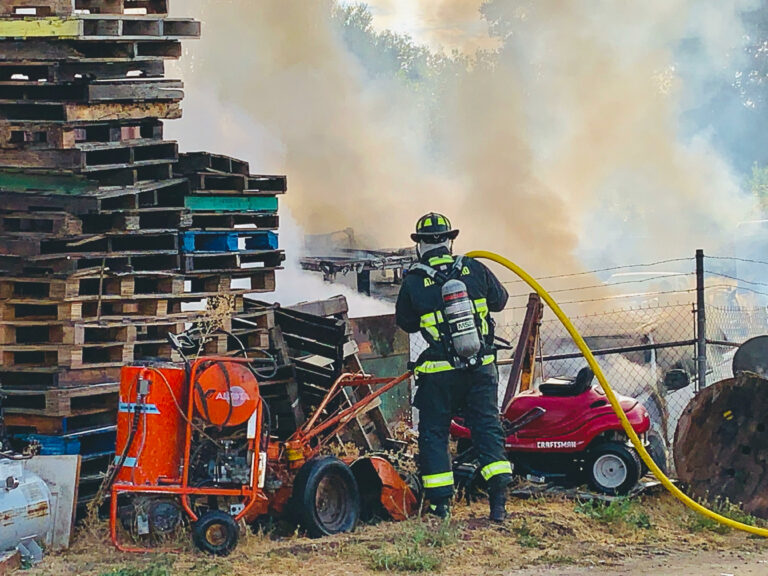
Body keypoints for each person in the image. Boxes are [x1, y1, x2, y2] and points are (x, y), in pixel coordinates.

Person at [395, 212, 513, 522]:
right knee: (488, 430)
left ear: (420, 244)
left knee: (434, 434)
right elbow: (500, 301)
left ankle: (441, 508)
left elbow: (406, 323)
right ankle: (498, 506)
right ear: (450, 240)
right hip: (481, 368)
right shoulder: (474, 267)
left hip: (438, 375)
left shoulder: (413, 279)